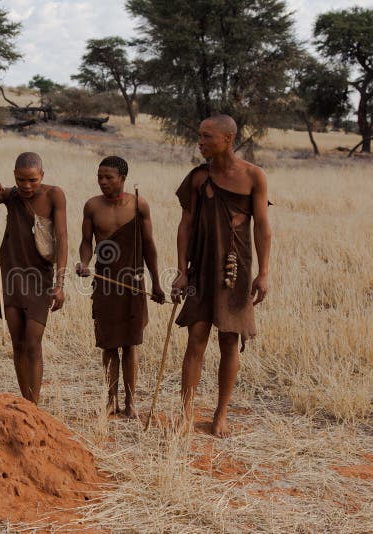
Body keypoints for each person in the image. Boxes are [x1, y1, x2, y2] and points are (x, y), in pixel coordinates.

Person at [172, 114, 271, 438]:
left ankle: (220, 415)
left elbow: (262, 227)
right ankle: (186, 415)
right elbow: (185, 225)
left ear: (227, 139)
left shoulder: (254, 177)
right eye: (199, 136)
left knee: (229, 341)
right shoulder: (199, 178)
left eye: (207, 137)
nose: (200, 142)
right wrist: (182, 271)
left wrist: (264, 273)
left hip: (235, 271)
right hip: (201, 268)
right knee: (196, 339)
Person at [0, 152, 68, 404]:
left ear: (42, 176)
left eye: (32, 180)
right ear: (14, 176)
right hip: (11, 274)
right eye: (21, 180)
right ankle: (25, 402)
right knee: (18, 343)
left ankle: (33, 406)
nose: (26, 186)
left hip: (40, 277)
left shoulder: (54, 195)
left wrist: (60, 284)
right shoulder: (11, 195)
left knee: (33, 342)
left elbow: (63, 239)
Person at [76, 156, 165, 418]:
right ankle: (111, 400)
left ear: (122, 179)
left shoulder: (139, 204)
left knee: (130, 345)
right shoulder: (92, 206)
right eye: (100, 177)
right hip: (105, 282)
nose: (103, 182)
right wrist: (83, 262)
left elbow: (149, 245)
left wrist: (157, 282)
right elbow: (86, 241)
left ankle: (132, 401)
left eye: (109, 177)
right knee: (108, 345)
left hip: (133, 283)